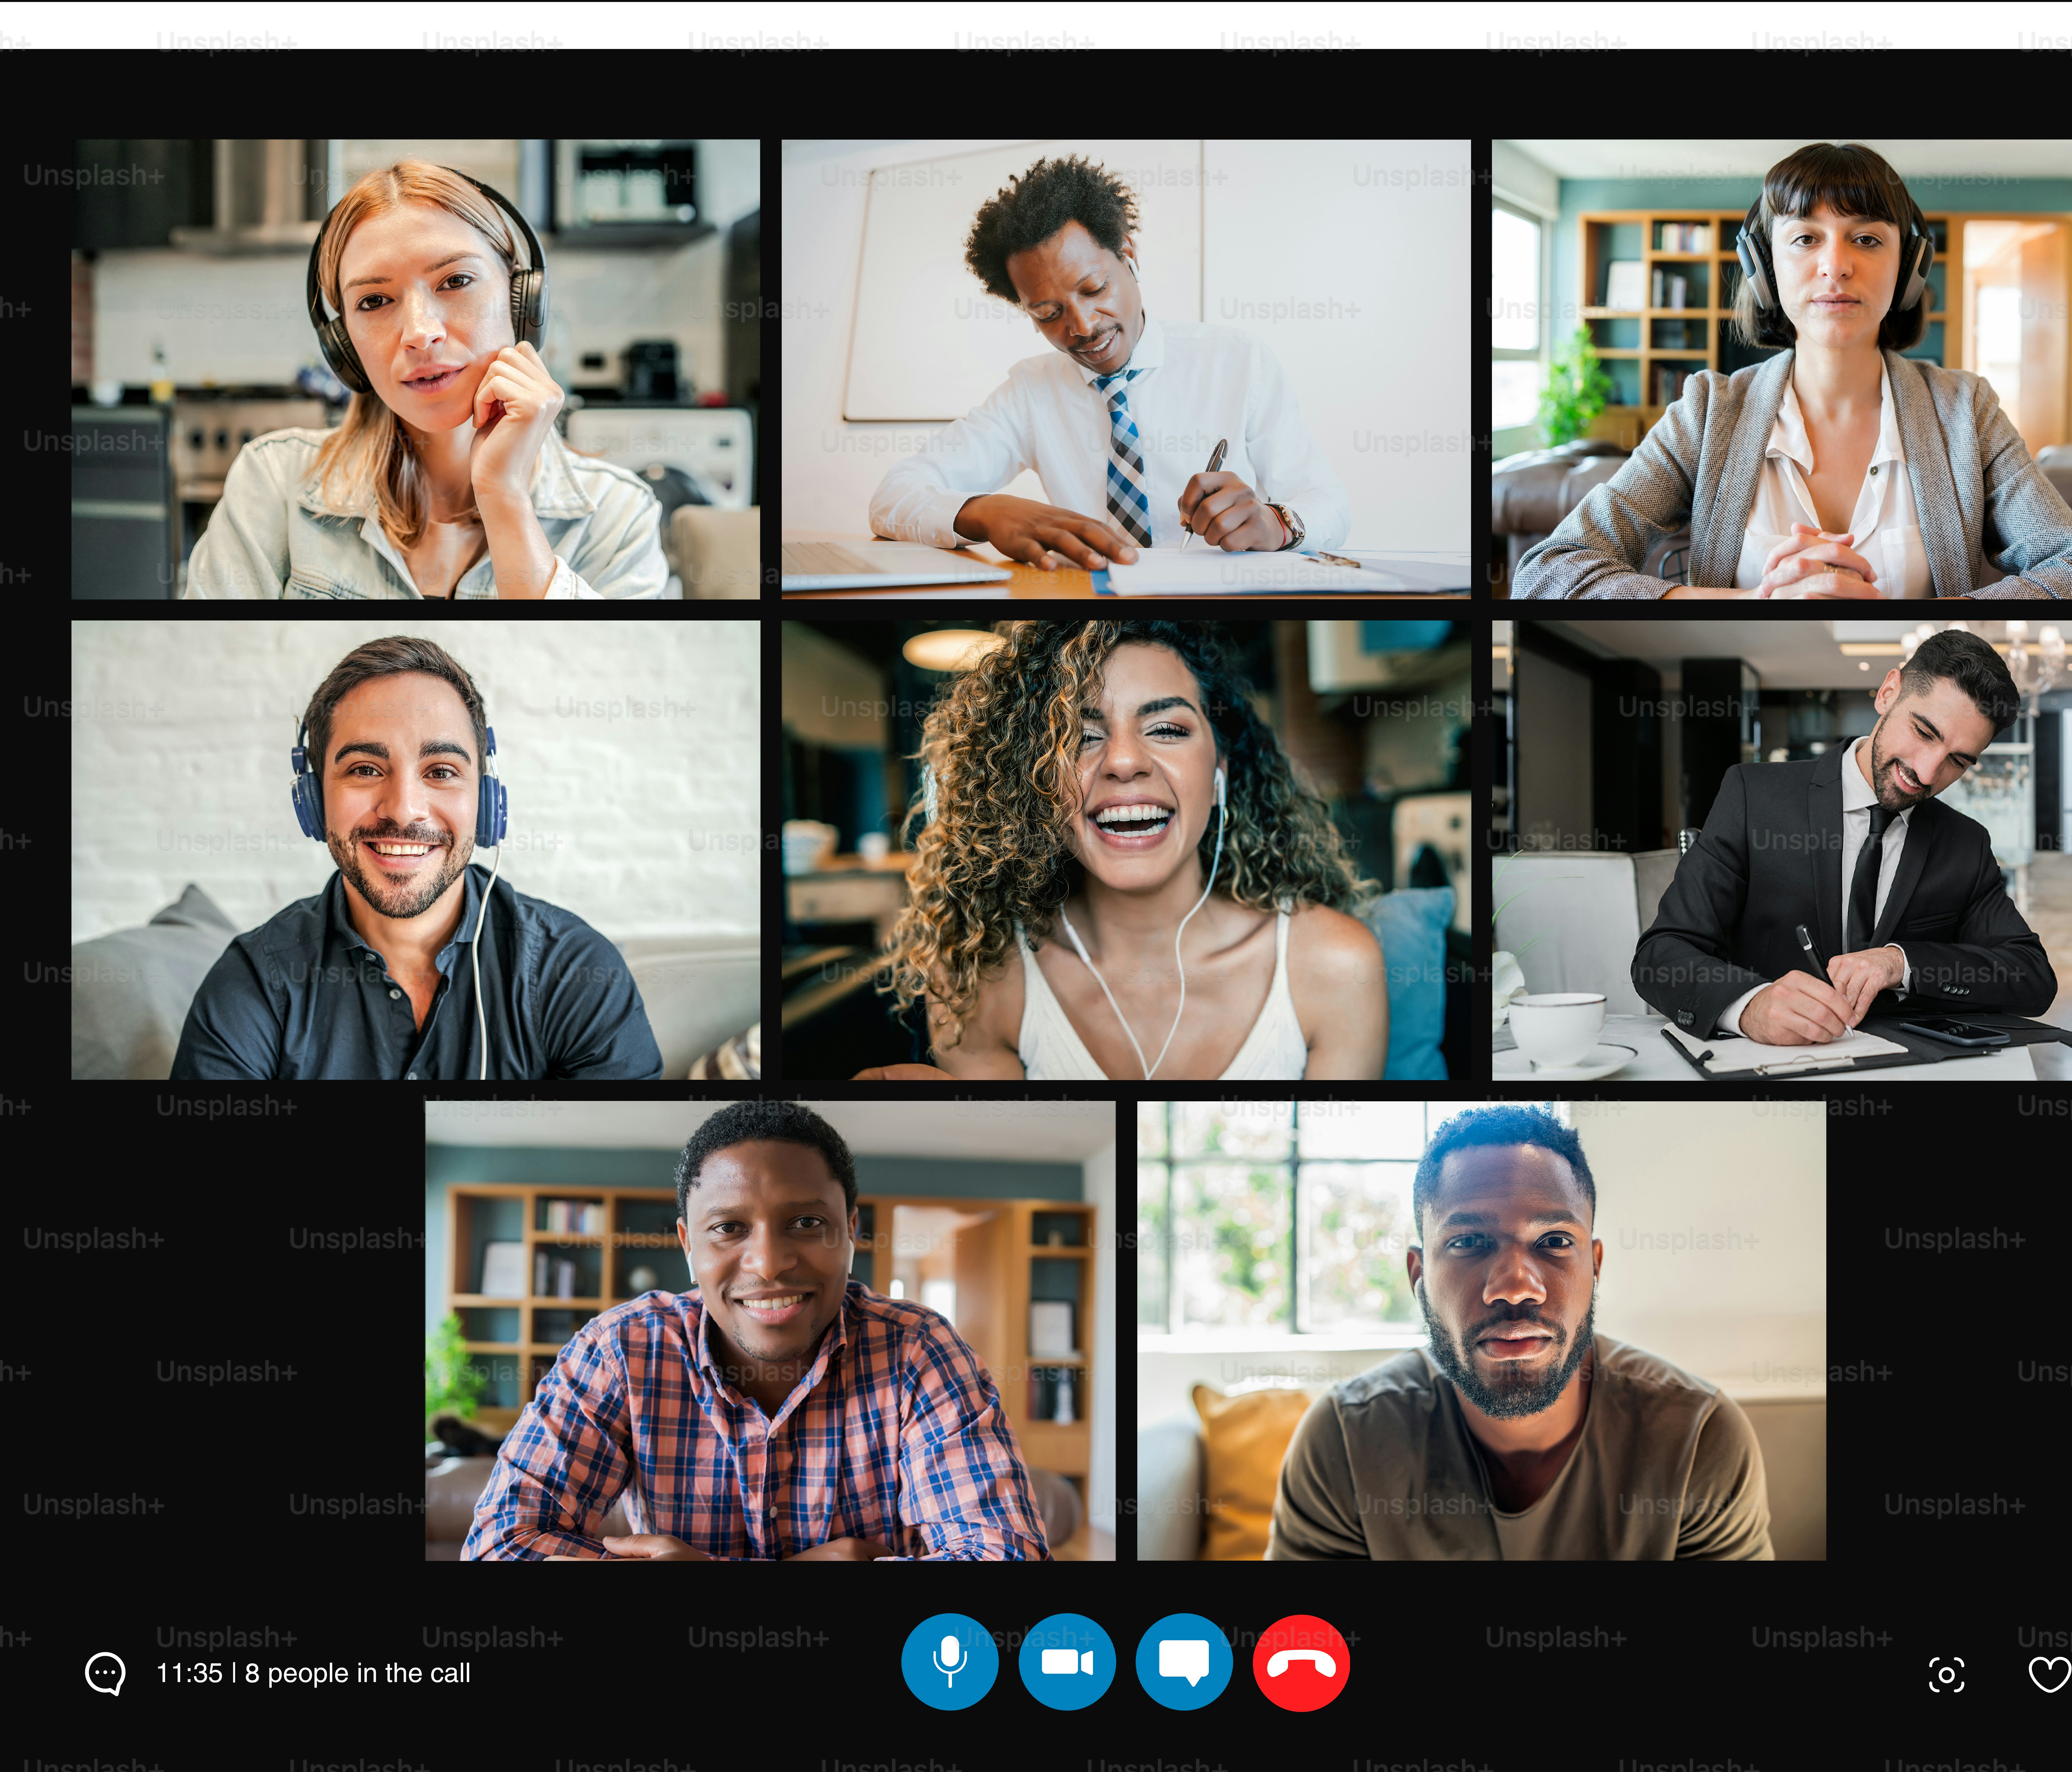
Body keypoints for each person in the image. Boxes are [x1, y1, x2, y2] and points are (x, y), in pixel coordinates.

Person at [1516, 141, 2072, 600]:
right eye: (1806, 239)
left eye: (1866, 240)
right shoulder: (1707, 412)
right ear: (1765, 268)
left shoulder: (1967, 411)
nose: (1835, 267)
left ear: (1908, 268)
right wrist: (1748, 608)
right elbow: (1549, 570)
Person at [465, 1102, 1048, 1561]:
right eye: (728, 1228)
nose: (768, 1263)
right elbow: (502, 1543)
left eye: (806, 1222)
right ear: (688, 1245)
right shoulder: (621, 1350)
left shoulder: (919, 1350)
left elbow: (1008, 1554)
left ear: (850, 1230)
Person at [857, 621, 1387, 1081]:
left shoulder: (1337, 965)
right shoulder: (977, 976)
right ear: (1033, 782)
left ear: (1221, 767)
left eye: (1166, 729)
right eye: (1080, 736)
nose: (1126, 761)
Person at [1269, 1106, 1772, 1560]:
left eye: (1553, 1242)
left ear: (1595, 1267)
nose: (1514, 1288)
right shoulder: (1344, 1442)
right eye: (1469, 1242)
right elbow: (1305, 1657)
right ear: (1418, 1275)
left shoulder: (1698, 1439)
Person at [170, 636, 662, 1079]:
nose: (404, 808)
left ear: (486, 802)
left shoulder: (575, 972)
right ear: (314, 801)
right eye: (365, 769)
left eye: (441, 771)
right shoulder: (252, 982)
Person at [183, 160, 664, 599]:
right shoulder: (272, 484)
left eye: (456, 282)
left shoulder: (617, 516)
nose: (419, 333)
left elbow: (579, 688)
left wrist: (505, 497)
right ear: (344, 345)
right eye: (374, 302)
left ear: (522, 302)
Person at [867, 154, 1349, 571]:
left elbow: (1328, 505)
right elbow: (893, 498)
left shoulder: (1239, 361)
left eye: (1094, 289)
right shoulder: (1028, 393)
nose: (1080, 326)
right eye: (1047, 313)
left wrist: (1276, 523)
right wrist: (986, 512)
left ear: (1128, 254)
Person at [1634, 628, 2056, 1046]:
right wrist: (1749, 1005)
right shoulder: (1753, 795)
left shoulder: (1965, 843)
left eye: (1958, 761)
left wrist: (1903, 963)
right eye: (1925, 733)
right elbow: (1662, 955)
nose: (1927, 775)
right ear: (1888, 693)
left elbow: (2031, 975)